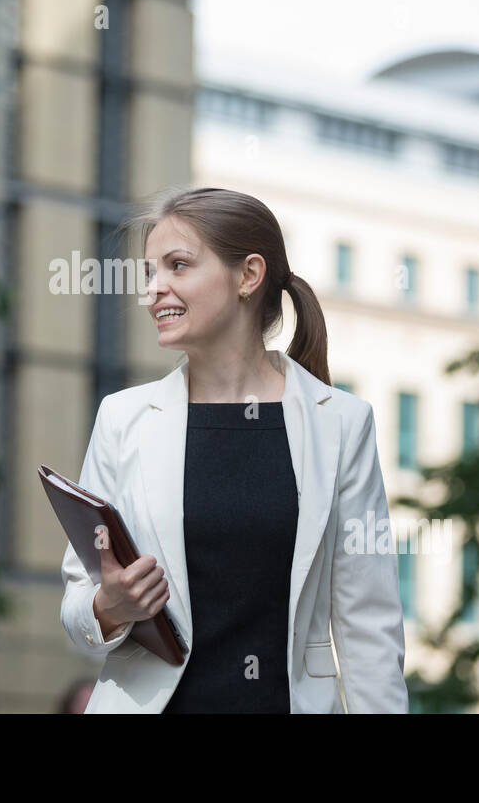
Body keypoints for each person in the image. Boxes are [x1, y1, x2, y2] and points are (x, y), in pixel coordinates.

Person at [59, 187, 408, 713]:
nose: (154, 290)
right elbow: (77, 605)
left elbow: (368, 627)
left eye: (178, 266)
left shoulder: (342, 424)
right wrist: (110, 606)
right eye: (151, 272)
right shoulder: (122, 419)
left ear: (248, 275)